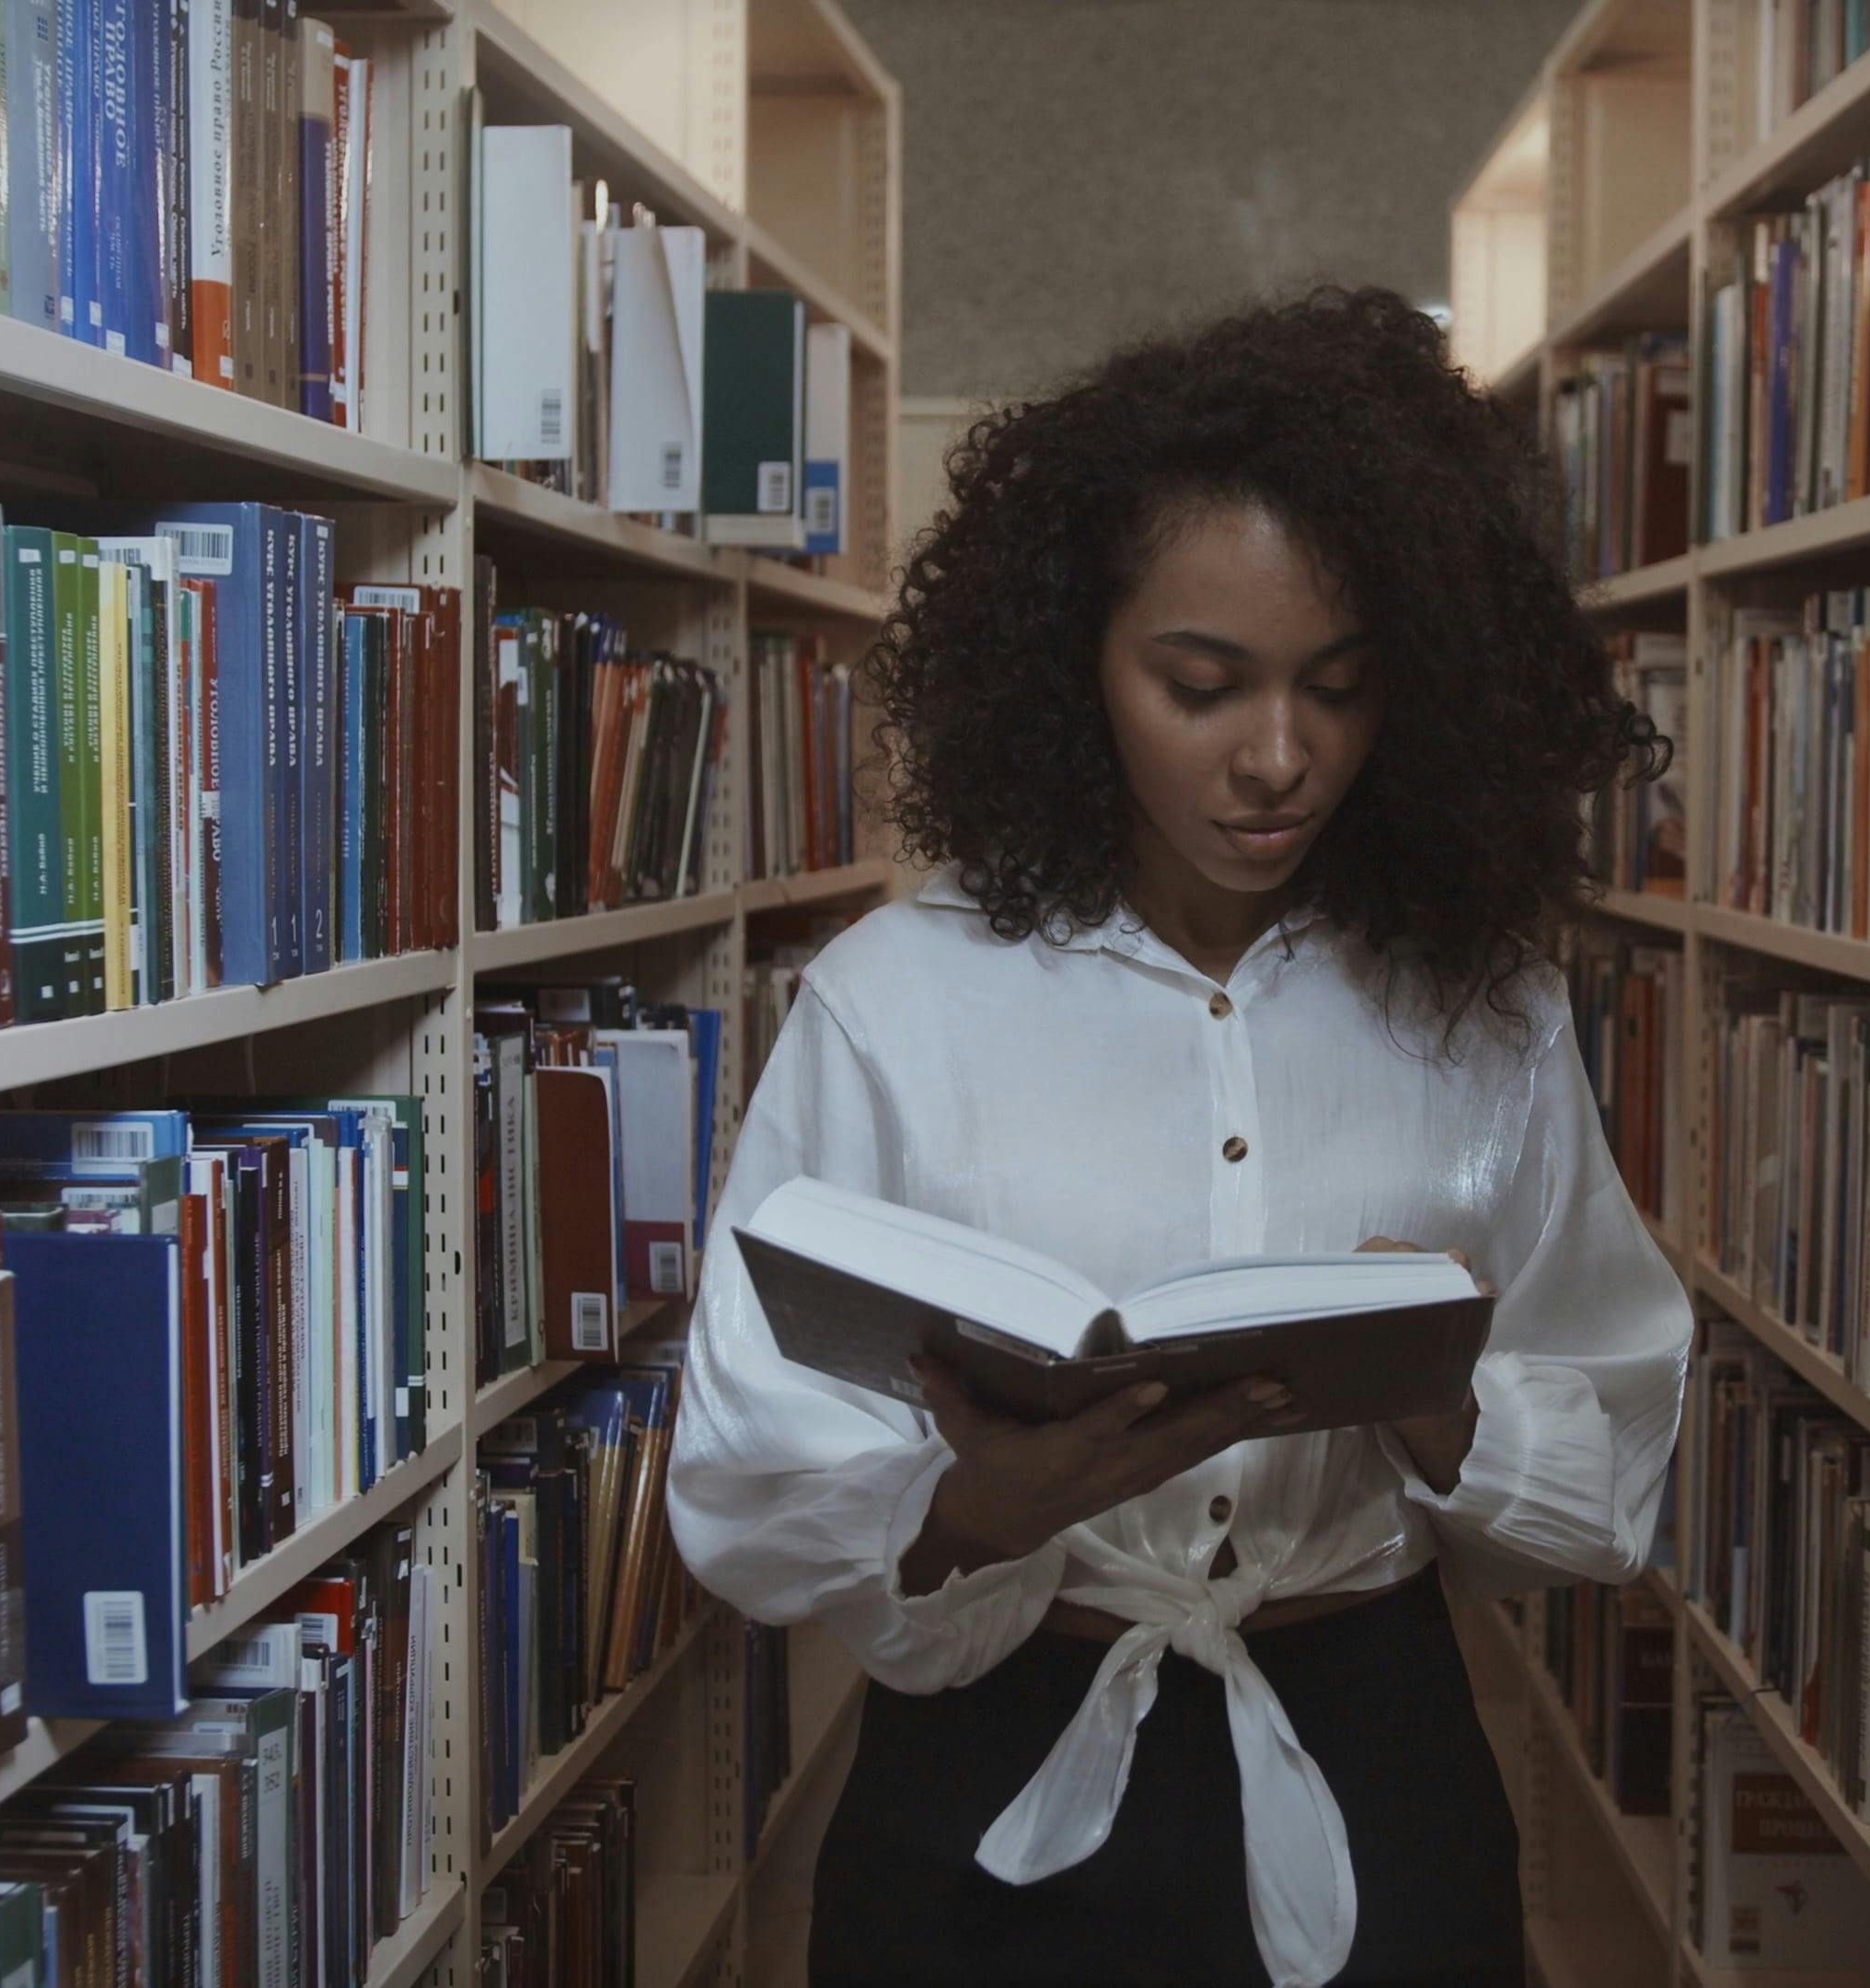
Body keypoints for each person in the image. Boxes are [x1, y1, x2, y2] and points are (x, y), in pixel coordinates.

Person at [664, 285, 1695, 1988]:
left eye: (1341, 691)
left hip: (1381, 1755)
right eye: (1201, 685)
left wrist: (1448, 1409)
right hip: (988, 1764)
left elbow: (1612, 1457)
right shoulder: (894, 1000)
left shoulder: (1482, 1008)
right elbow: (750, 1472)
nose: (1278, 760)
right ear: (1077, 666)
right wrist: (968, 1510)